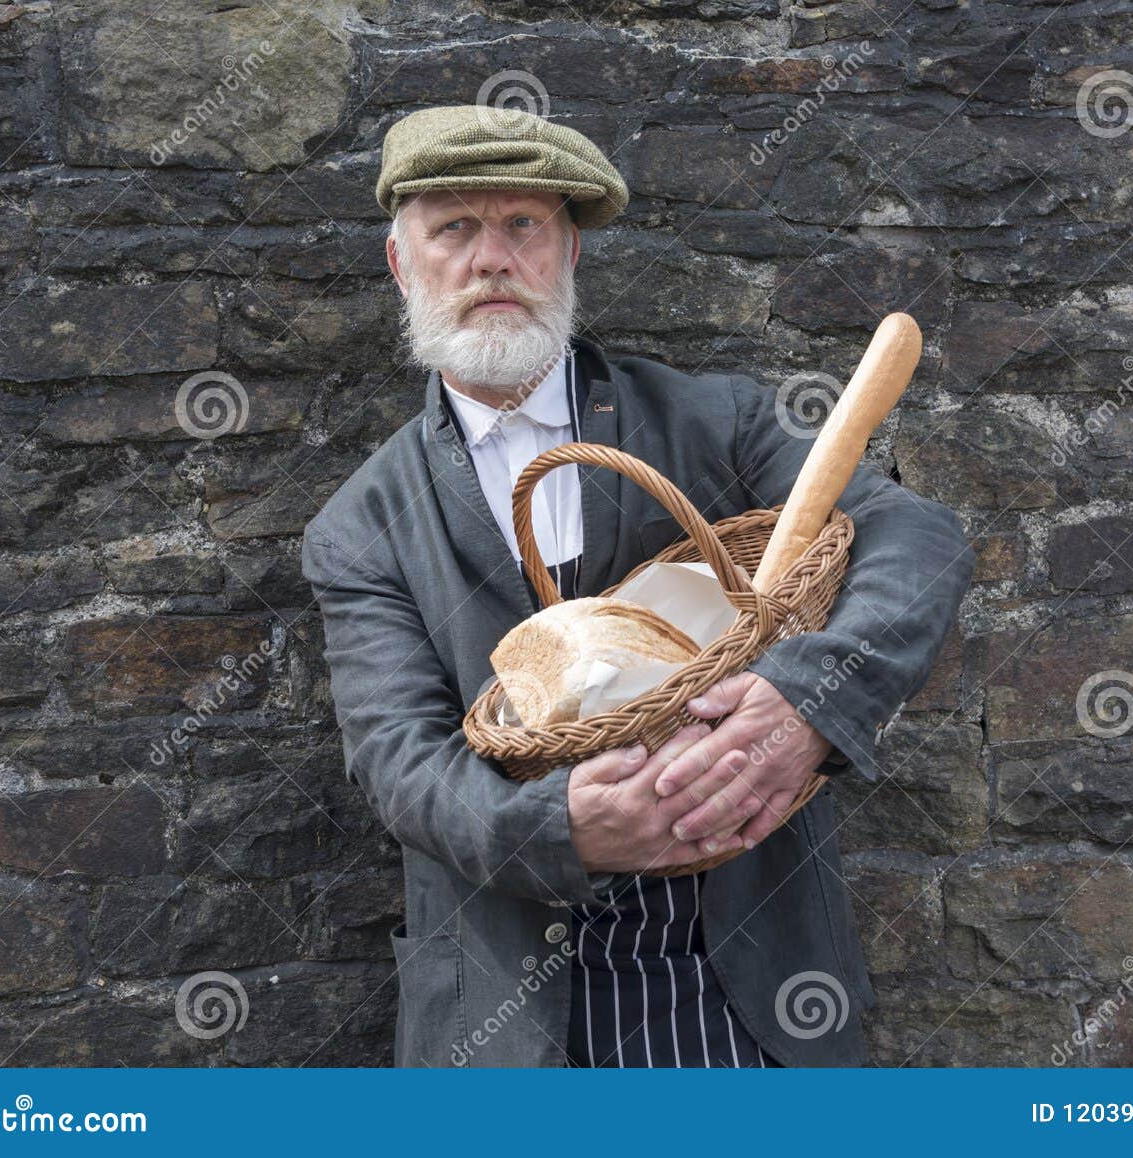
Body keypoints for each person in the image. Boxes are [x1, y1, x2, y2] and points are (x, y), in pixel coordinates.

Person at [300, 104, 973, 1067]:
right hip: (506, 1024)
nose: (492, 258)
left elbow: (918, 537)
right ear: (403, 264)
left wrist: (809, 703)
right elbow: (402, 766)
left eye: (523, 225)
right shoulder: (361, 526)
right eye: (454, 228)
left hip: (744, 987)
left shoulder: (718, 426)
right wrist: (561, 827)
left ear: (568, 252)